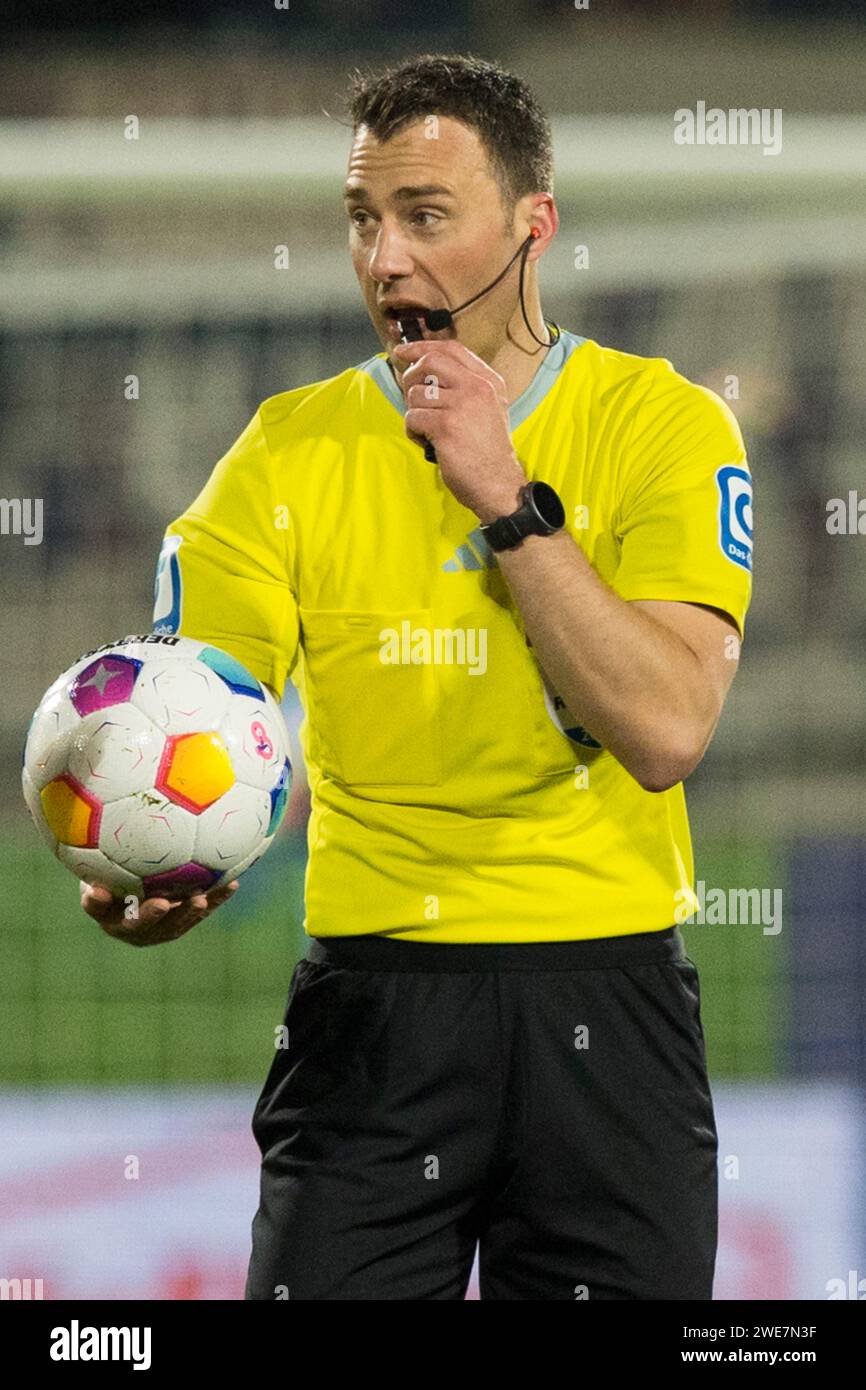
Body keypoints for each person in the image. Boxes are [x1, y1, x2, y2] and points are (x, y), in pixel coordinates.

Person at [82, 53, 753, 1300]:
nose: (385, 260)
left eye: (425, 218)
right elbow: (195, 718)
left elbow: (664, 728)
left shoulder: (662, 426)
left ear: (530, 227)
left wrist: (505, 499)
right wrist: (162, 862)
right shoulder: (283, 453)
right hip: (372, 1011)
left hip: (605, 1001)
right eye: (362, 220)